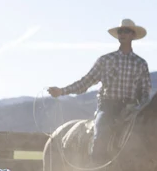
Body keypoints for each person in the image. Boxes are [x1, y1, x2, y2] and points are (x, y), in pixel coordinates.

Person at [47, 18, 151, 163]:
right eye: (120, 31)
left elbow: (146, 91)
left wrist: (139, 107)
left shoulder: (140, 64)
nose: (122, 34)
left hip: (131, 110)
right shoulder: (106, 60)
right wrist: (62, 91)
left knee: (146, 138)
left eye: (126, 31)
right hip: (108, 106)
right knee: (101, 135)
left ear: (132, 35)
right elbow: (86, 82)